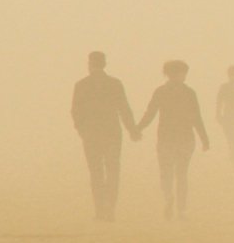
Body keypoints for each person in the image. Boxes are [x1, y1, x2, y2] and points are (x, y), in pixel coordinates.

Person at [71, 51, 140, 221]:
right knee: (113, 171)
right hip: (112, 134)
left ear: (90, 64)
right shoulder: (115, 84)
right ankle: (111, 207)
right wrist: (132, 130)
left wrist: (82, 129)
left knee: (96, 172)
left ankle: (99, 209)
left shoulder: (81, 85)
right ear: (104, 64)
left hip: (91, 134)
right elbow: (124, 108)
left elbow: (75, 111)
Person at [137, 60, 210, 220]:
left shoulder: (160, 92)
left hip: (166, 139)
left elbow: (150, 113)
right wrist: (204, 138)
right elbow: (196, 117)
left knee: (166, 172)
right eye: (183, 72)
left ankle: (168, 196)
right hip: (185, 138)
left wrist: (138, 128)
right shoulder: (189, 93)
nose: (185, 76)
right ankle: (182, 209)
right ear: (176, 74)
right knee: (182, 174)